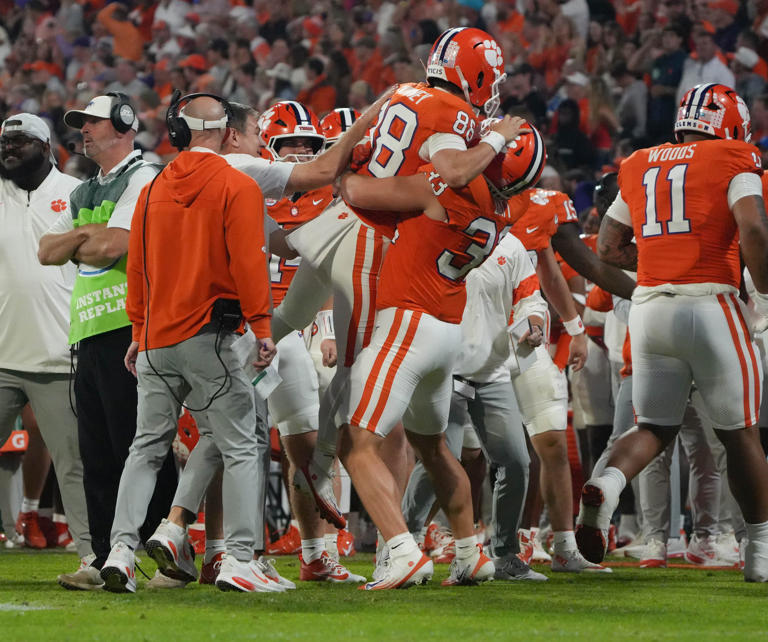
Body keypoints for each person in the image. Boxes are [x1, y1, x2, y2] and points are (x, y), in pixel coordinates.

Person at [272, 28, 523, 527]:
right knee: (351, 365)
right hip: (370, 240)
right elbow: (451, 170)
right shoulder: (460, 129)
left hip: (341, 215)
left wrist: (344, 178)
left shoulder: (406, 93)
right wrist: (497, 136)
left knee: (282, 320)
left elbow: (365, 153)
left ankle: (219, 375)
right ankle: (316, 472)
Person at [139, 97, 387, 589]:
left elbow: (285, 244)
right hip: (243, 327)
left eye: (305, 144)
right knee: (236, 441)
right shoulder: (239, 172)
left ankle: (180, 536)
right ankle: (232, 555)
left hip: (218, 326)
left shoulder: (193, 180)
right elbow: (316, 177)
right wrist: (375, 117)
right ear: (238, 136)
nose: (293, 154)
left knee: (224, 439)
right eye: (278, 141)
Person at [576, 83, 768, 584]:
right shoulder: (734, 155)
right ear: (729, 125)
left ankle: (607, 485)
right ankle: (760, 554)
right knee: (739, 434)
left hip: (650, 309)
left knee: (653, 428)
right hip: (712, 304)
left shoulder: (639, 162)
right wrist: (765, 295)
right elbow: (754, 230)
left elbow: (608, 245)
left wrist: (662, 258)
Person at [337, 119, 538, 589]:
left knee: (357, 444)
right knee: (433, 447)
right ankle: (469, 552)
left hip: (409, 322)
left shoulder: (443, 187)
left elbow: (358, 192)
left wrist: (348, 161)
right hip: (446, 331)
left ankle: (403, 550)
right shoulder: (506, 210)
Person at [96, 94, 276, 594]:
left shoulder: (151, 189)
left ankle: (120, 552)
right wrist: (262, 327)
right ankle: (239, 559)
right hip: (210, 338)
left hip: (154, 341)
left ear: (179, 131)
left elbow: (137, 265)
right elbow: (248, 263)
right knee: (240, 445)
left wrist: (137, 330)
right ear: (223, 131)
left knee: (145, 449)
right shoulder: (236, 185)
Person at [37, 94, 178, 582]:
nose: (84, 132)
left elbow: (115, 246)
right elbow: (46, 251)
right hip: (89, 333)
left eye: (93, 123)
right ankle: (101, 559)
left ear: (123, 125)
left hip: (131, 328)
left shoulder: (143, 177)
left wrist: (79, 241)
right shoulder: (84, 190)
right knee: (96, 455)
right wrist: (83, 240)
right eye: (81, 124)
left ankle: (170, 554)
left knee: (140, 448)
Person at [0, 113, 94, 588]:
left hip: (59, 354)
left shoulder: (76, 193)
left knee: (73, 462)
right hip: (0, 356)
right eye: (4, 141)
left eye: (19, 140)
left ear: (46, 146)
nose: (9, 147)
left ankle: (90, 560)